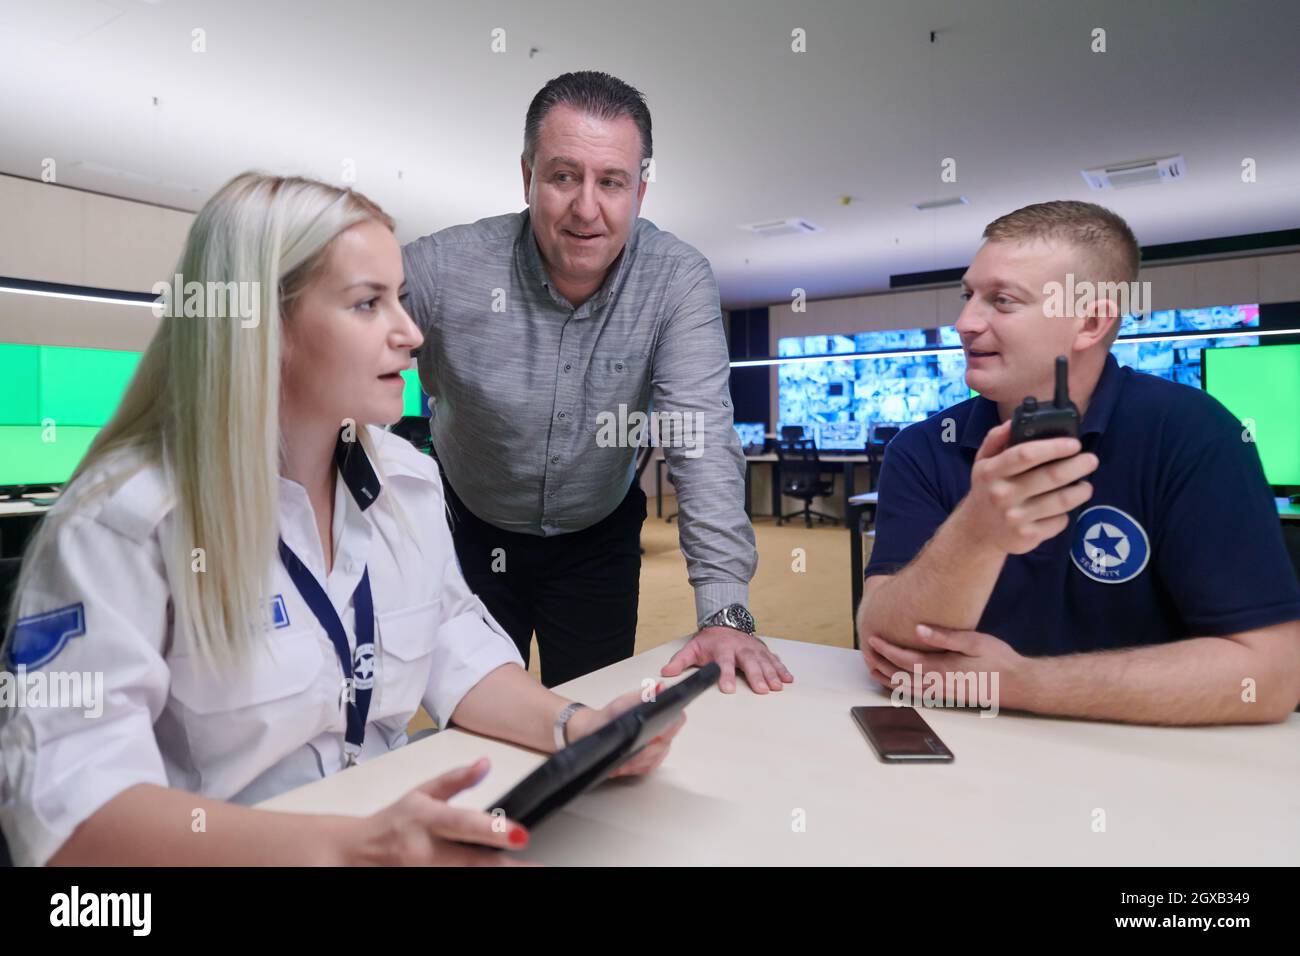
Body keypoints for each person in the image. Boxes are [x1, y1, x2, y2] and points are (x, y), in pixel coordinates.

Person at [0, 172, 683, 867]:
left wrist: (578, 728)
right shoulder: (120, 525)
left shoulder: (407, 482)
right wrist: (347, 848)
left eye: (400, 299)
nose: (410, 332)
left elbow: (453, 642)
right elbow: (69, 817)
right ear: (264, 324)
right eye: (368, 304)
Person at [401, 71, 790, 693]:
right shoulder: (443, 268)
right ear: (527, 177)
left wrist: (725, 613)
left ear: (640, 189)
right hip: (467, 526)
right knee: (469, 709)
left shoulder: (677, 279)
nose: (587, 208)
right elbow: (330, 326)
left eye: (611, 182)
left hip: (596, 536)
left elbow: (699, 435)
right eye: (563, 177)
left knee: (591, 717)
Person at [857, 200, 1300, 724]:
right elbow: (885, 645)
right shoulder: (924, 448)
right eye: (968, 295)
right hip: (969, 758)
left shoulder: (1194, 435)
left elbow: (1270, 677)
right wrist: (978, 531)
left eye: (1001, 300)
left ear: (1089, 322)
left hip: (1152, 767)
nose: (964, 323)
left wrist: (1020, 683)